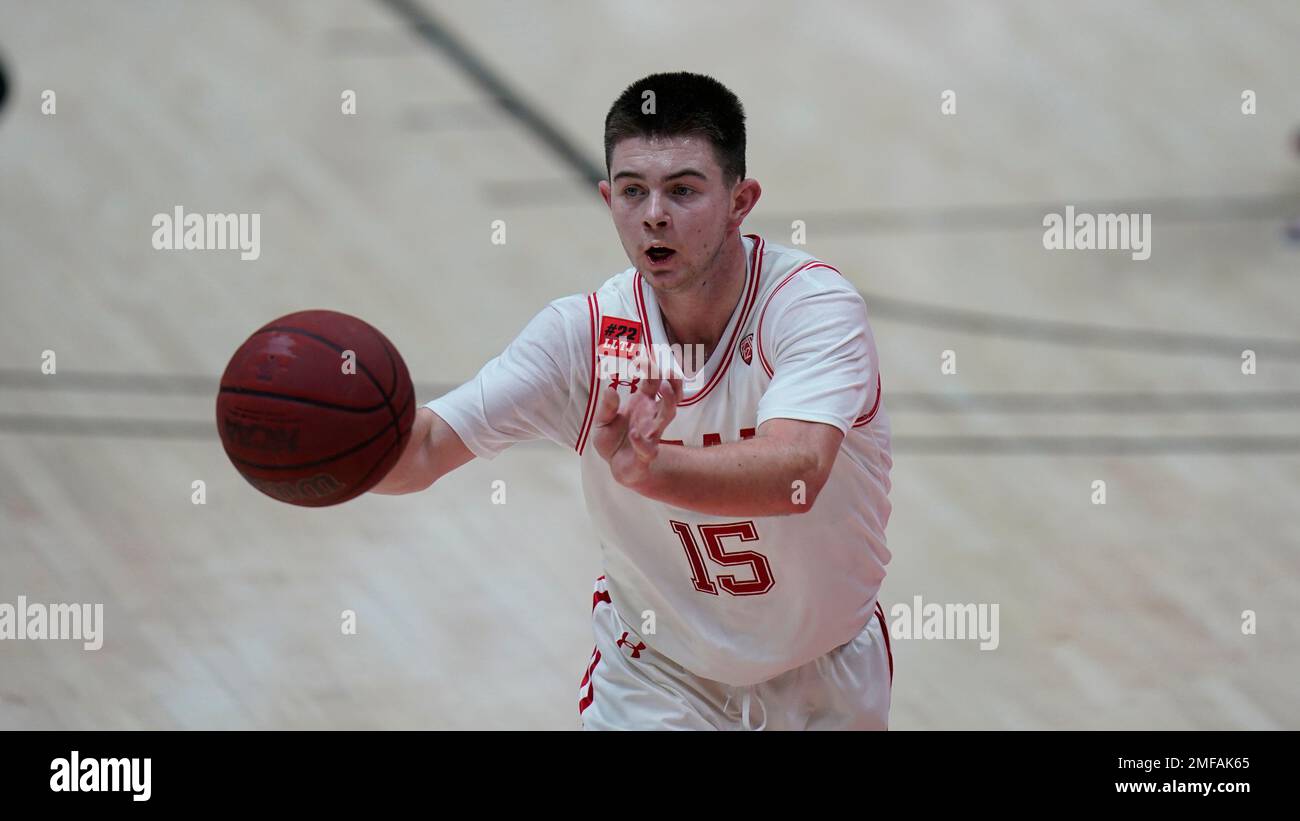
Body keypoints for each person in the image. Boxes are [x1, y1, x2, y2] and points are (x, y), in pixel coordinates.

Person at [373, 72, 894, 730]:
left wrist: (653, 470)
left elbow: (797, 469)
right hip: (658, 675)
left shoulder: (810, 307)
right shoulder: (581, 338)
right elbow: (421, 447)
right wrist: (318, 461)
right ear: (607, 198)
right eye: (631, 191)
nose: (654, 213)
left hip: (827, 672)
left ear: (741, 200)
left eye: (682, 189)